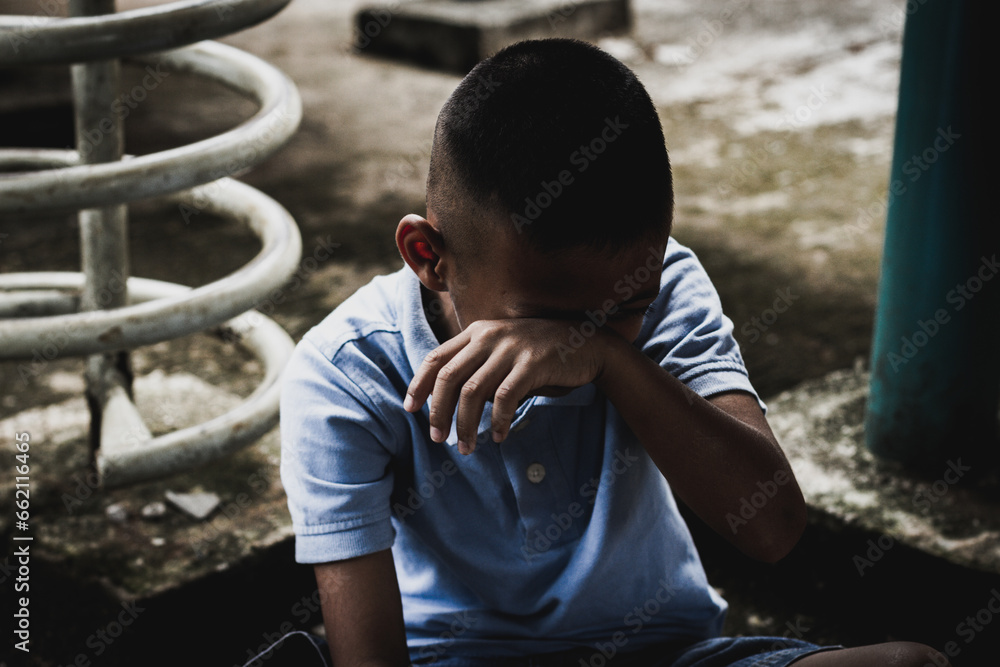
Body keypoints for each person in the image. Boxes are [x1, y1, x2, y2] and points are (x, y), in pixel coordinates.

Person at [266, 38, 951, 667]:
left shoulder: (665, 285)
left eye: (624, 308)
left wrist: (614, 361)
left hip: (663, 652)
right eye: (546, 318)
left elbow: (771, 527)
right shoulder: (347, 372)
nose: (579, 337)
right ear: (429, 256)